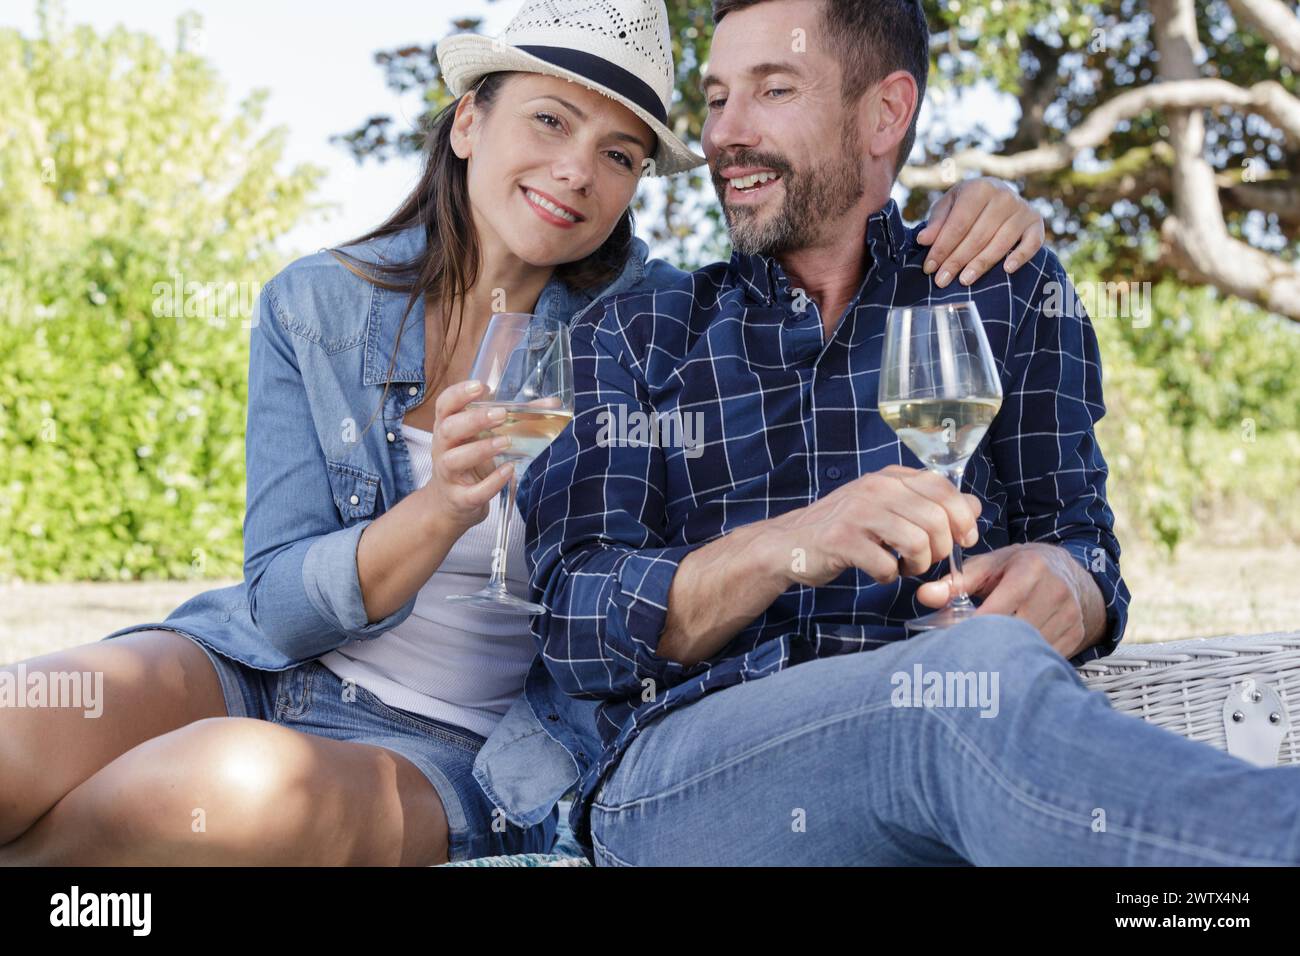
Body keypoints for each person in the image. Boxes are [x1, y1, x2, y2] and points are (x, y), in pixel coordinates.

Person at [0, 0, 1045, 866]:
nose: (576, 172)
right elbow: (275, 600)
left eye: (618, 152)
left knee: (212, 790)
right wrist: (439, 506)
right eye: (548, 121)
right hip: (264, 663)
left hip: (478, 751)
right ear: (468, 122)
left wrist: (973, 203)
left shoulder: (660, 322)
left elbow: (828, 246)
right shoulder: (315, 306)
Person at [518, 0, 1300, 866]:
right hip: (688, 780)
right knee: (953, 697)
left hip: (969, 754)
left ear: (884, 112)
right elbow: (576, 623)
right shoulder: (634, 330)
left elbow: (1085, 544)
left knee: (973, 688)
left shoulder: (1002, 287)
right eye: (715, 99)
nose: (725, 136)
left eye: (772, 90)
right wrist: (789, 545)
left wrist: (1065, 588)